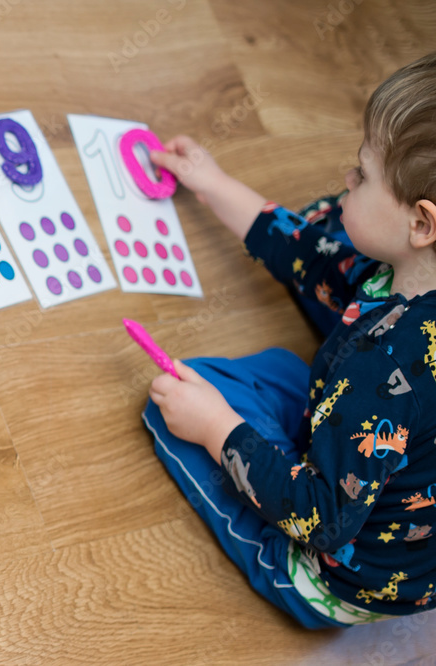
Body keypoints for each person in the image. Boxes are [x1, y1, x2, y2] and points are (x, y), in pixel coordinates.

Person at [143, 52, 436, 629]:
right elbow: (310, 255)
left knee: (175, 406)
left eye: (362, 173)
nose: (347, 179)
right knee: (283, 351)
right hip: (389, 496)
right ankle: (289, 445)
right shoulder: (408, 278)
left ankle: (282, 520)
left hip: (336, 571)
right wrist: (211, 181)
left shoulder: (384, 368)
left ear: (423, 225)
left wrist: (215, 428)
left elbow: (322, 520)